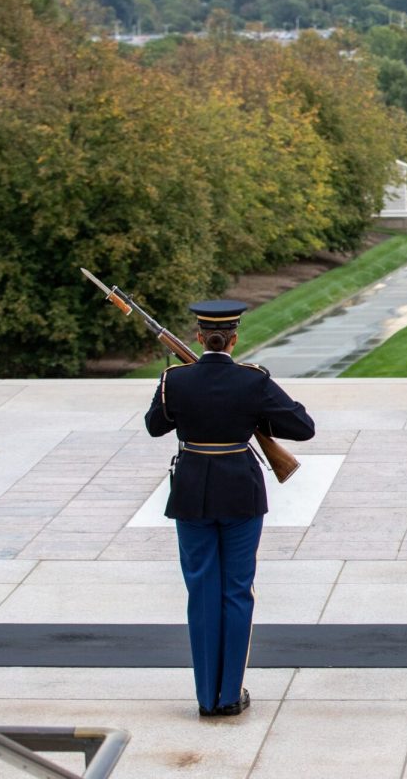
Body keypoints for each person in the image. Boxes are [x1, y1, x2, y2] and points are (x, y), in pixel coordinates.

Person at [143, 299, 315, 718]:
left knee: (202, 590)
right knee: (237, 591)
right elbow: (303, 427)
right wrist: (258, 416)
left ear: (199, 338)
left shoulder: (176, 379)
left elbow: (155, 426)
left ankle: (206, 697)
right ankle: (229, 695)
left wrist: (181, 389)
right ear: (235, 339)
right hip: (240, 492)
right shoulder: (252, 382)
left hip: (191, 494)